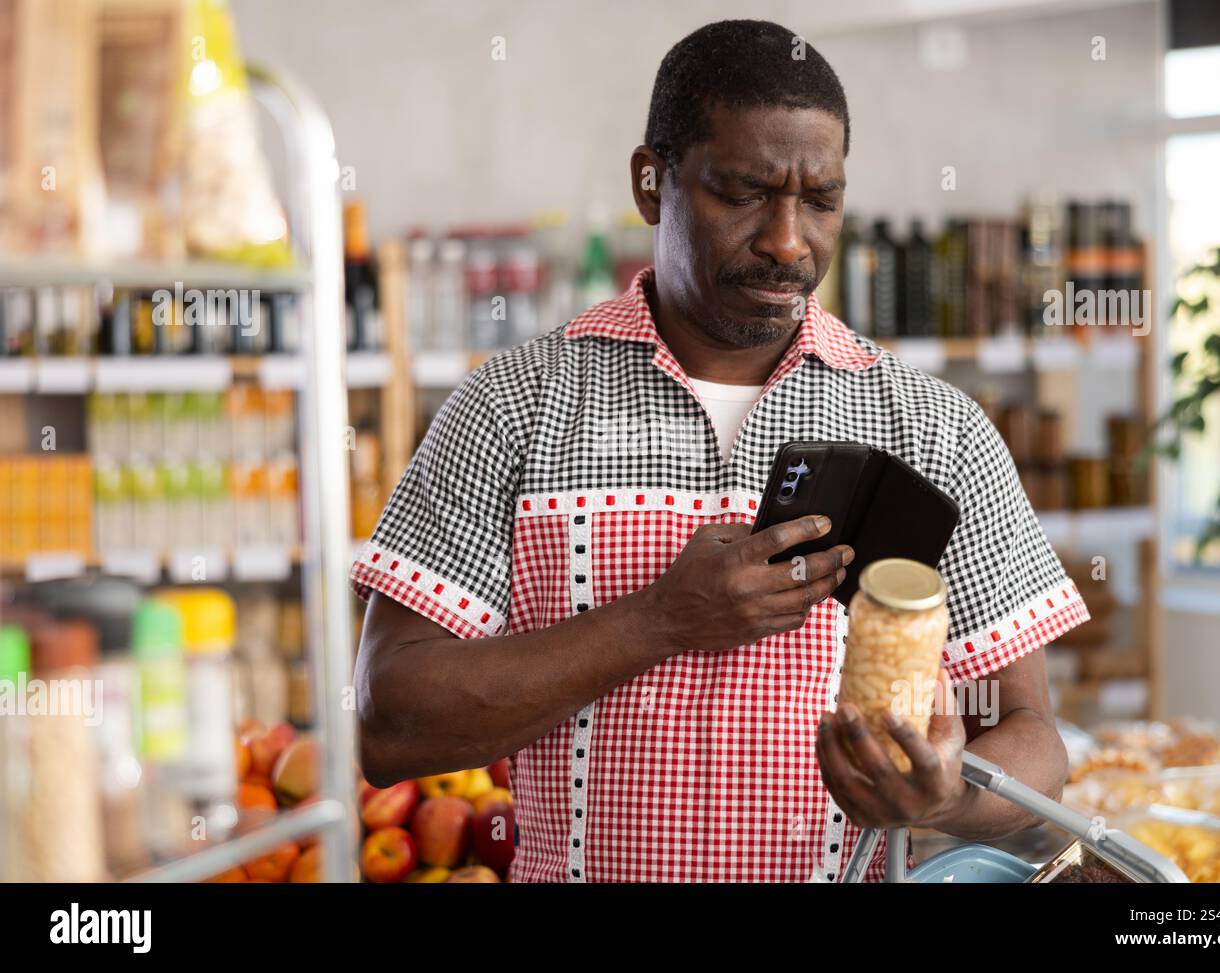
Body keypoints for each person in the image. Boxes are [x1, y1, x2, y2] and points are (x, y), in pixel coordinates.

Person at [352, 19, 1089, 882]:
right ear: (651, 183)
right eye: (742, 193)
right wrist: (658, 619)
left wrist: (945, 799)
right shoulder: (515, 405)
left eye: (820, 200)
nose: (787, 240)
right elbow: (389, 720)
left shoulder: (933, 428)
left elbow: (1036, 735)